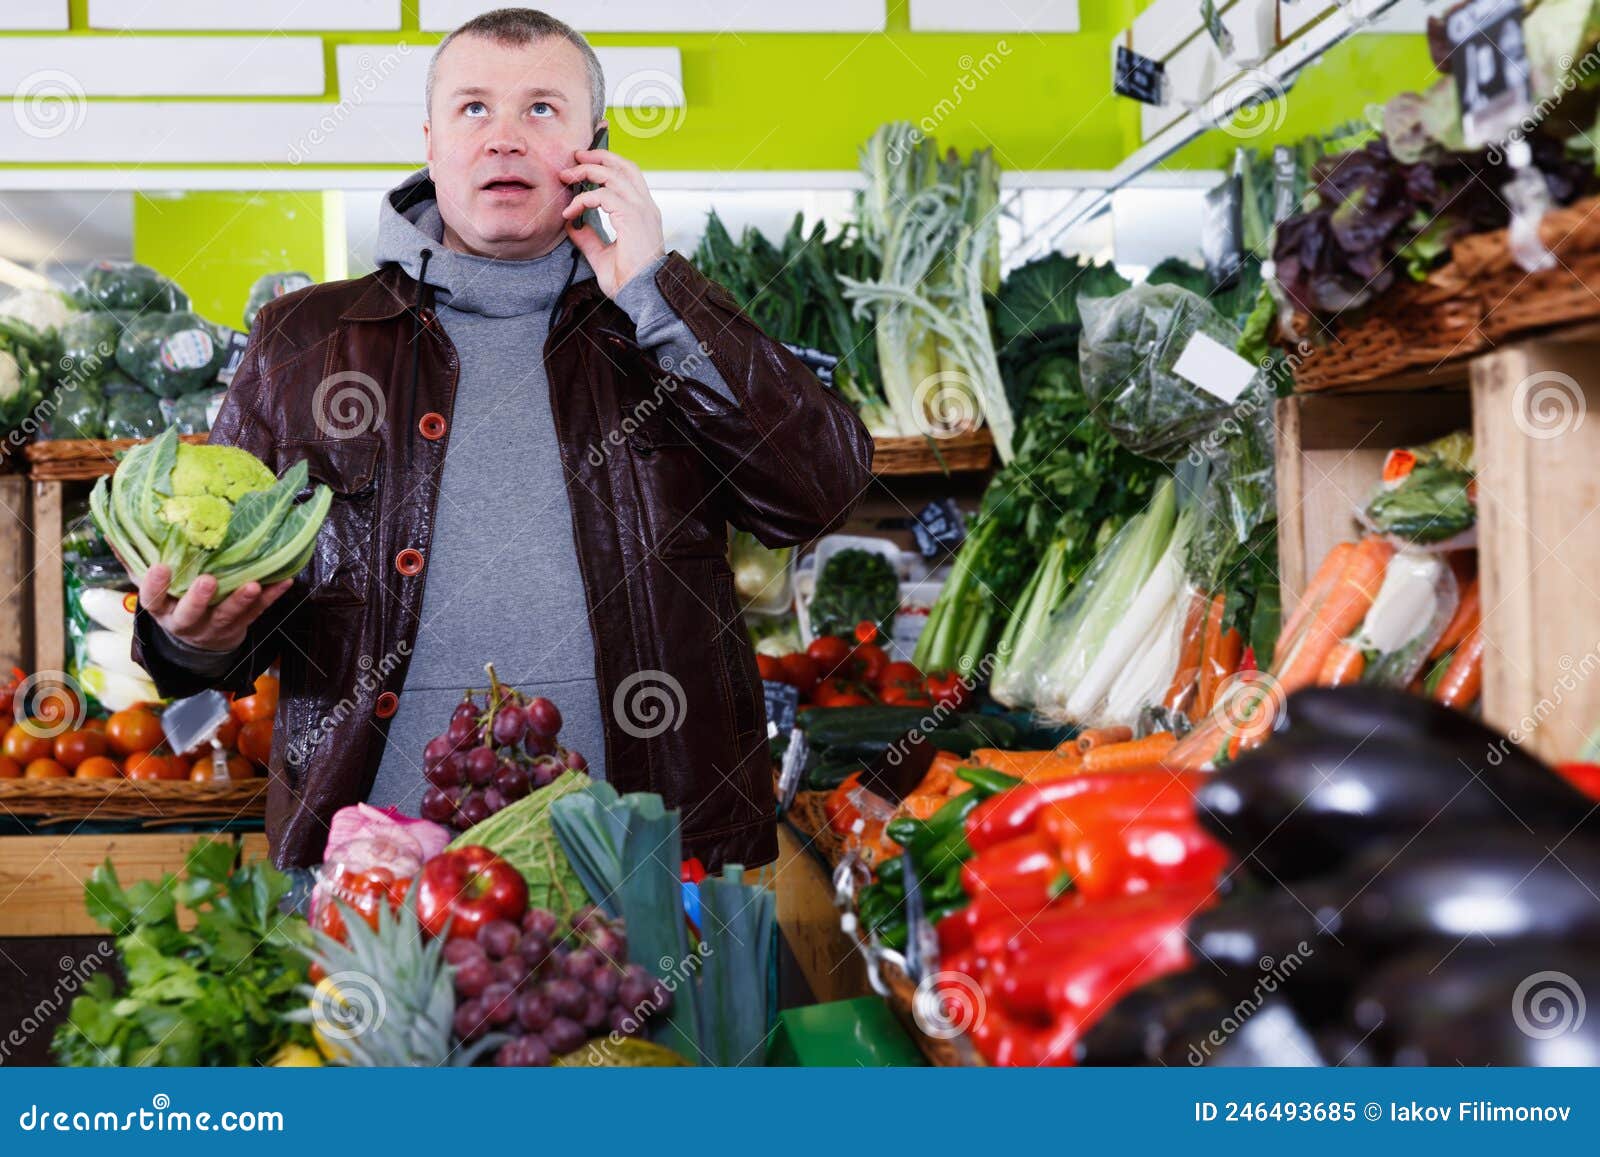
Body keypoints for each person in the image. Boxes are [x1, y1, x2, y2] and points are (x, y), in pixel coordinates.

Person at [126, 7, 873, 870]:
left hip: (649, 866)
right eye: (473, 109)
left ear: (596, 146)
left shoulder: (663, 321)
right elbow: (226, 622)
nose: (505, 139)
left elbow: (818, 491)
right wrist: (195, 637)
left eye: (542, 111)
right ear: (432, 143)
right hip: (375, 876)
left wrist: (662, 296)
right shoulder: (303, 339)